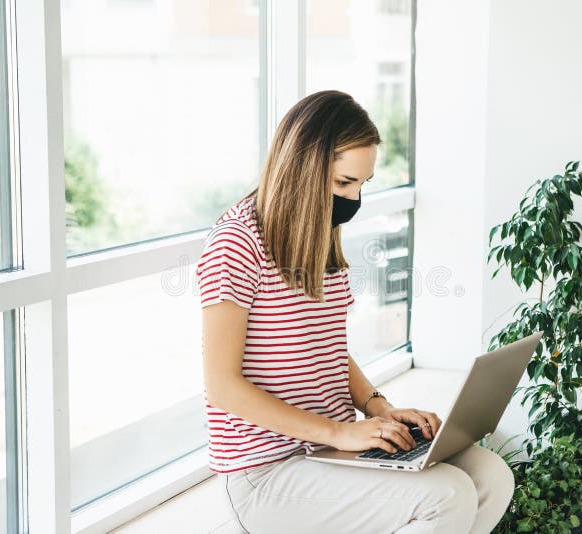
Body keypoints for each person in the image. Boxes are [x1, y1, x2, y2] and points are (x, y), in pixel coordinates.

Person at [196, 90, 514, 533]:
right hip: (264, 471)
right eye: (344, 183)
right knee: (448, 497)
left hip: (326, 450)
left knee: (490, 477)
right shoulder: (236, 244)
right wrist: (338, 433)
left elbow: (325, 348)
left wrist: (378, 407)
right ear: (303, 167)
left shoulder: (319, 234)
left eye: (363, 184)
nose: (354, 198)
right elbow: (223, 387)